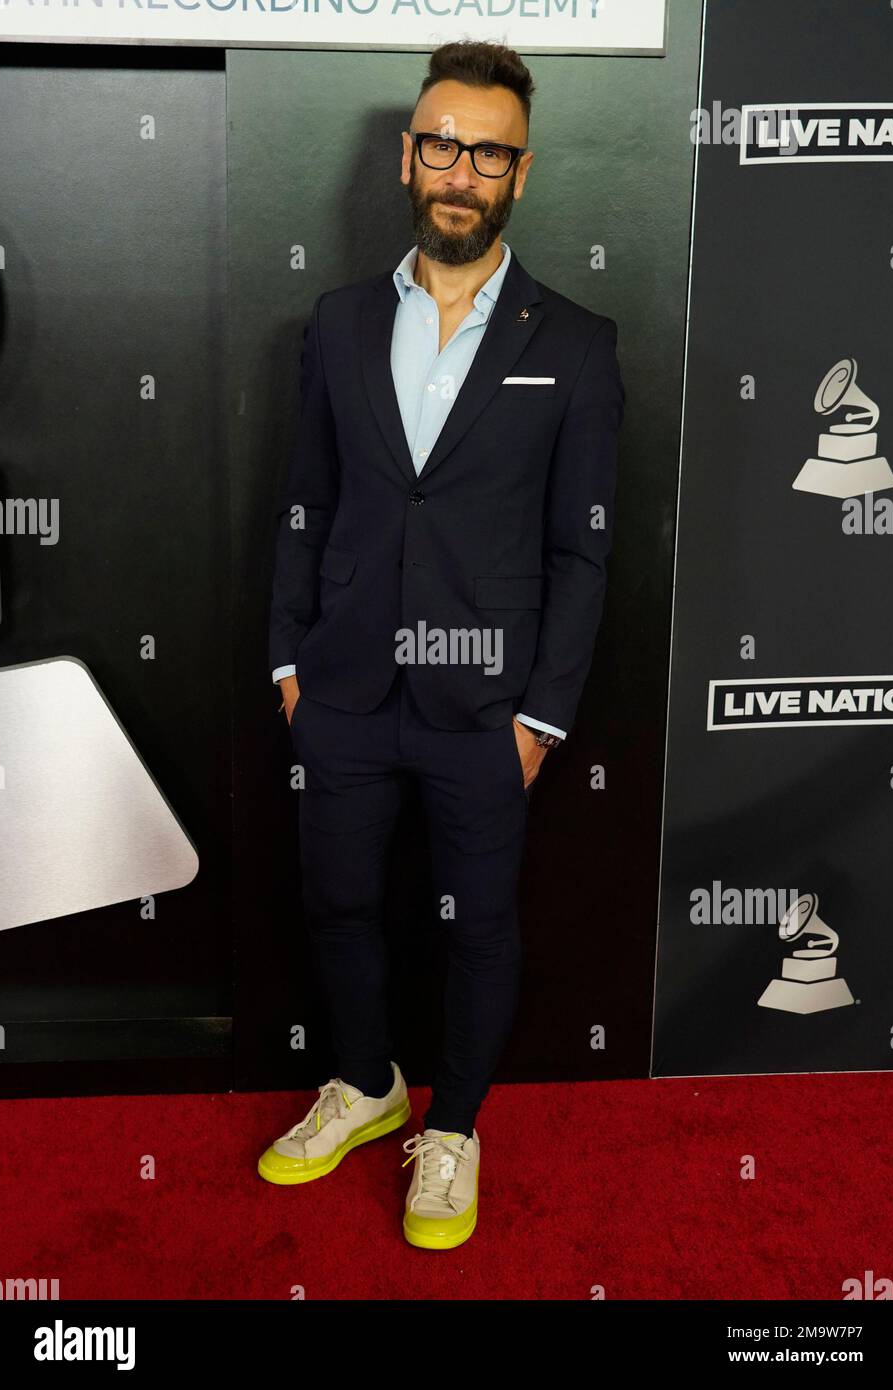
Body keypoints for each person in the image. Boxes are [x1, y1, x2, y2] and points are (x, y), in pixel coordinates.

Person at [259, 38, 625, 1250]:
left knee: (478, 926)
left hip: (486, 710)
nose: (457, 170)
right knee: (337, 901)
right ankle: (366, 1087)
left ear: (517, 173)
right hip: (346, 692)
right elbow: (303, 499)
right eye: (438, 143)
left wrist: (541, 718)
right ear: (408, 156)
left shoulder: (572, 343)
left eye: (485, 150)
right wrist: (287, 666)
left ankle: (453, 1126)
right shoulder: (339, 320)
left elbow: (581, 549)